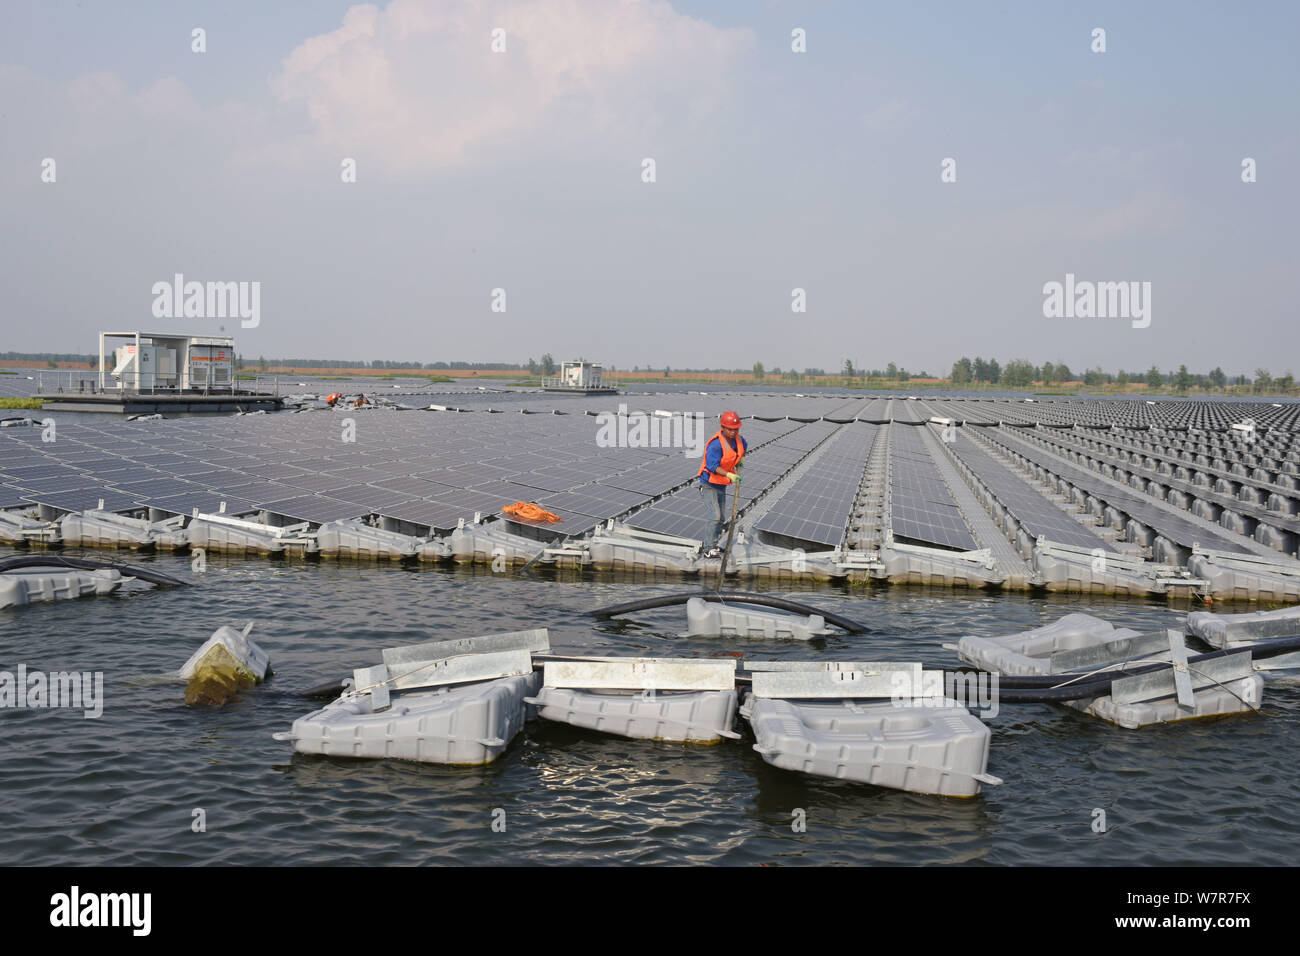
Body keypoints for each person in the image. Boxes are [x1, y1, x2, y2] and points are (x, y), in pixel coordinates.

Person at [697, 410, 747, 557]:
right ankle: (707, 549)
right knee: (715, 516)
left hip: (721, 484)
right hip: (709, 484)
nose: (733, 432)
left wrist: (741, 461)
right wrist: (730, 474)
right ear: (723, 428)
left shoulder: (740, 440)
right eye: (730, 429)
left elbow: (743, 449)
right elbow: (712, 466)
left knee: (722, 517)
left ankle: (714, 545)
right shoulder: (716, 445)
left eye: (735, 429)